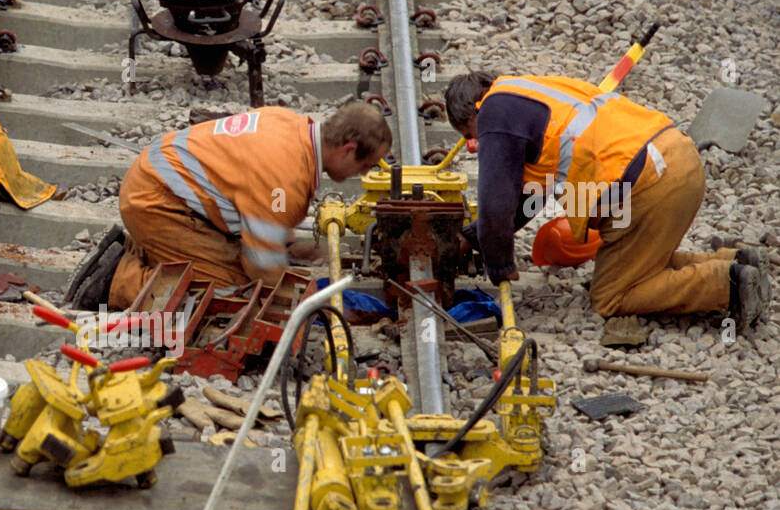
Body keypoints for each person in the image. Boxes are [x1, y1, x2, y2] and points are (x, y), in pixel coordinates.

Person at [444, 72, 770, 330]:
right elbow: (529, 197)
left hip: (645, 184)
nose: (475, 144)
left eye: (468, 136)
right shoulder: (529, 94)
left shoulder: (493, 116)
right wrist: (474, 239)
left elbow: (494, 203)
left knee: (612, 295)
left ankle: (728, 284)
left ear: (472, 110)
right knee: (640, 263)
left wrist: (499, 265)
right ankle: (739, 260)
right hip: (678, 159)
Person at [105, 102, 392, 309]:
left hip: (161, 179)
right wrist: (307, 306)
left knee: (243, 270)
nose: (365, 174)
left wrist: (287, 246)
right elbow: (263, 270)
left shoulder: (289, 123)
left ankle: (151, 250)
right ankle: (121, 279)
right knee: (231, 291)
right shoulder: (285, 176)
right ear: (348, 150)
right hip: (155, 201)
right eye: (365, 165)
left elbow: (259, 200)